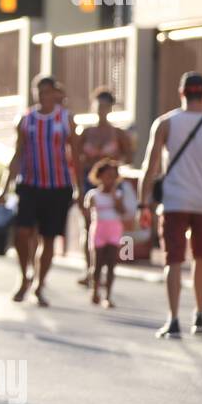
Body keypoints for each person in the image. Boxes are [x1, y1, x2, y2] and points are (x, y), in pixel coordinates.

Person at [139, 72, 202, 338]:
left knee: (174, 259)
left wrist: (142, 203)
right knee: (201, 257)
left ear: (181, 92)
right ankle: (199, 315)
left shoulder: (165, 124)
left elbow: (150, 165)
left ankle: (173, 319)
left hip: (174, 201)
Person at [0, 75, 80, 307]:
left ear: (55, 93)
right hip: (30, 184)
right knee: (22, 232)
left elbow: (75, 156)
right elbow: (17, 154)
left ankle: (39, 285)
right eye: (39, 92)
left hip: (57, 187)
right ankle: (24, 276)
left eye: (47, 91)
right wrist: (4, 187)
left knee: (48, 238)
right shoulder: (26, 119)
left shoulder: (66, 119)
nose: (43, 96)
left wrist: (79, 189)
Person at [75, 87, 134, 286]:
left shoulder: (118, 133)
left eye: (106, 106)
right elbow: (75, 159)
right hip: (89, 182)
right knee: (88, 226)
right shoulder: (85, 132)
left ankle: (107, 270)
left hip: (111, 184)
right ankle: (90, 269)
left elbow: (129, 156)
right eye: (99, 106)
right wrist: (79, 185)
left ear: (110, 108)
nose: (102, 110)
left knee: (111, 225)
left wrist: (113, 162)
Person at [82, 159, 134, 308]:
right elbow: (86, 215)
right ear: (99, 176)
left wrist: (115, 198)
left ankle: (108, 296)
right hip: (98, 229)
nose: (110, 179)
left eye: (113, 176)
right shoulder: (93, 195)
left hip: (114, 230)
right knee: (97, 264)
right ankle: (94, 290)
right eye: (107, 175)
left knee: (111, 264)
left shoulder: (118, 194)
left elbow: (123, 211)